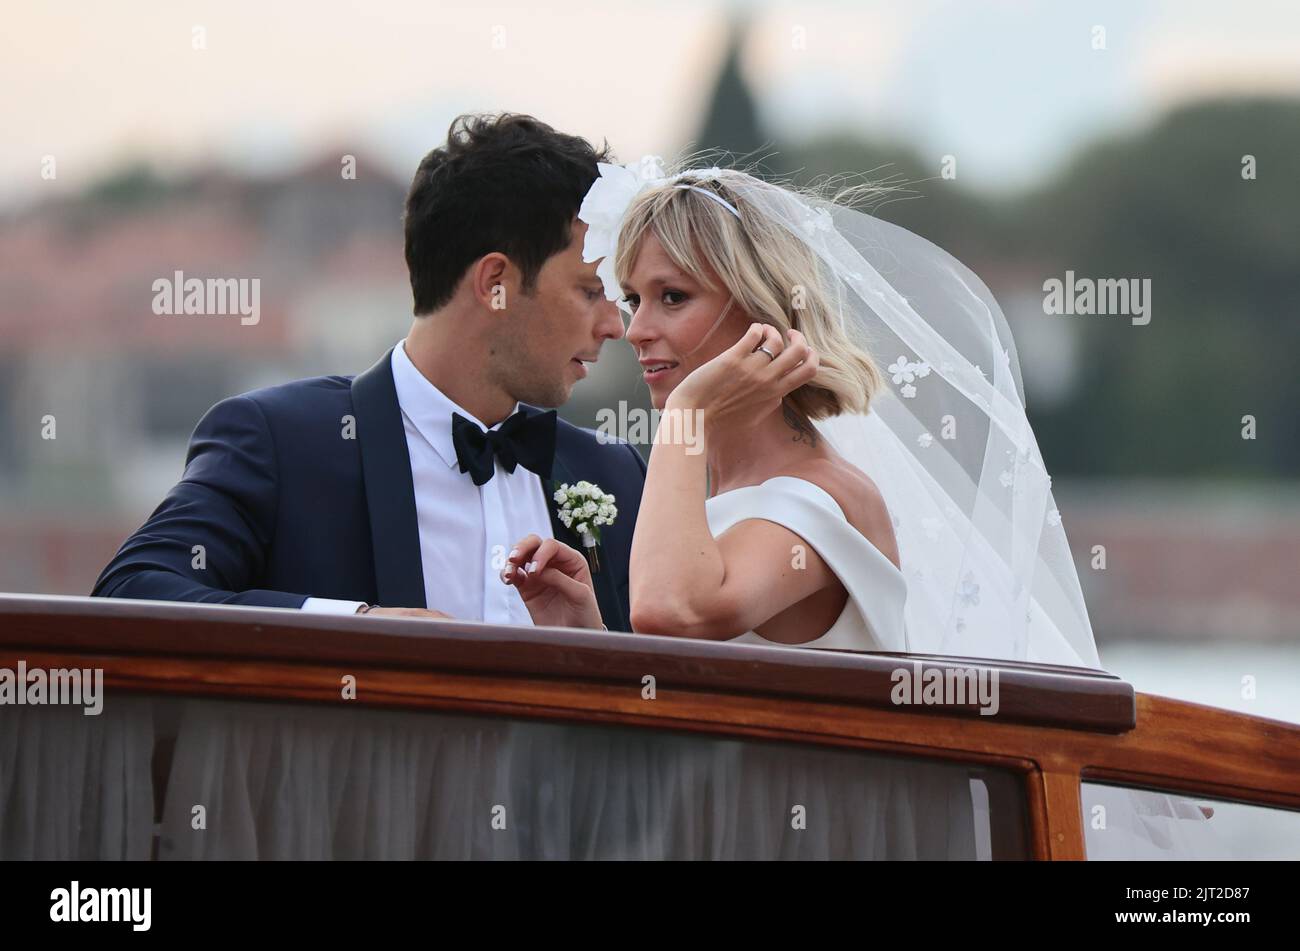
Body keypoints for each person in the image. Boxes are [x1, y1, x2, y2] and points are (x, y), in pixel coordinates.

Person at [92, 114, 645, 631]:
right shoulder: (280, 441)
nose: (614, 326)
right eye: (591, 291)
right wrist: (357, 629)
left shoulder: (614, 471)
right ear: (494, 282)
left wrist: (596, 649)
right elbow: (130, 596)